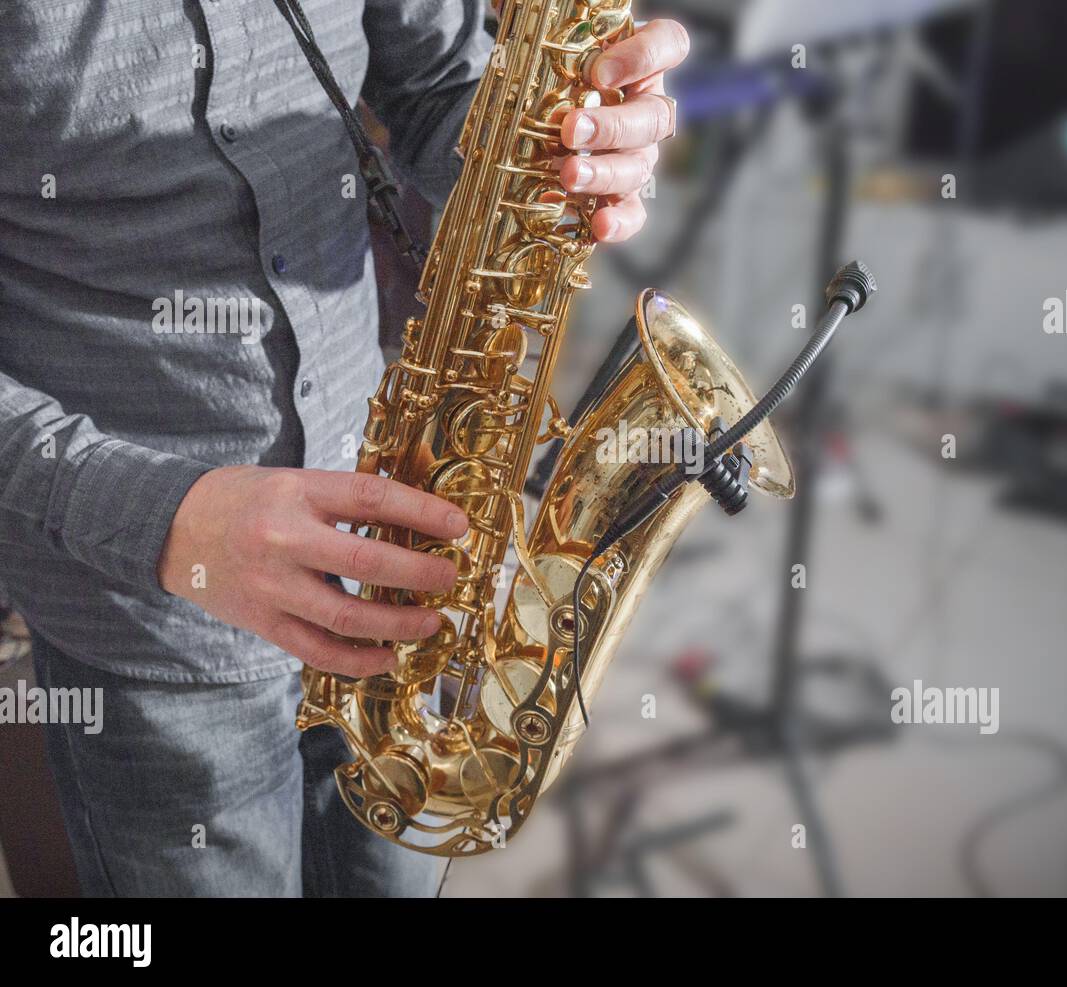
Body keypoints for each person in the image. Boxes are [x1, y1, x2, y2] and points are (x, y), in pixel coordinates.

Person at [0, 0, 688, 896]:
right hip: (145, 611)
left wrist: (574, 141)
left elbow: (440, 82)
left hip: (391, 531)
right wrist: (165, 519)